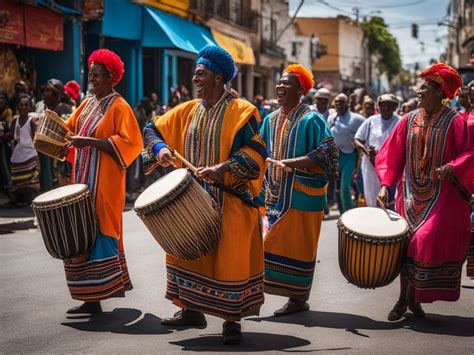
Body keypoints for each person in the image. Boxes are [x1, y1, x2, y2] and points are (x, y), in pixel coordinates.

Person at [142, 45, 266, 344]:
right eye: (196, 72)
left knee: (230, 259)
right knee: (187, 255)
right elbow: (151, 129)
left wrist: (222, 168)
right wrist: (159, 151)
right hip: (191, 202)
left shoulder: (243, 112)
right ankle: (190, 310)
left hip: (231, 200)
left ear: (219, 77)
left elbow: (257, 152)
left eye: (201, 73)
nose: (195, 78)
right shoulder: (187, 110)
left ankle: (231, 320)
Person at [376, 63, 473, 321]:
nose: (419, 92)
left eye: (426, 88)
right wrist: (386, 185)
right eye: (421, 87)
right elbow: (392, 156)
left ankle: (412, 299)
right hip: (407, 194)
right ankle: (404, 301)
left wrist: (453, 166)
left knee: (423, 240)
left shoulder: (455, 122)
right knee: (404, 245)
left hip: (442, 196)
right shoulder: (408, 120)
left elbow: (470, 152)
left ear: (440, 93)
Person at [60, 49, 143, 315]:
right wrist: (59, 141)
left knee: (99, 231)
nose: (92, 79)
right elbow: (69, 131)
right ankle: (89, 298)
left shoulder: (120, 107)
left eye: (97, 75)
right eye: (91, 74)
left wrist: (90, 143)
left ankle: (100, 293)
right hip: (81, 182)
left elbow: (131, 144)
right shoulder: (86, 104)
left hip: (104, 186)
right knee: (80, 234)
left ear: (110, 77)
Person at [259, 64, 338, 316]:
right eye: (279, 82)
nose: (280, 86)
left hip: (304, 196)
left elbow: (328, 153)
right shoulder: (270, 120)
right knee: (266, 243)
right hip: (274, 194)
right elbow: (258, 149)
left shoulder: (311, 119)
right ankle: (259, 291)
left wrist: (291, 163)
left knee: (299, 248)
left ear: (301, 90)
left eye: (287, 83)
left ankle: (297, 299)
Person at [354, 94, 400, 207]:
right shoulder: (371, 121)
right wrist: (364, 149)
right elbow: (357, 139)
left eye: (389, 105)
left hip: (391, 166)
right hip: (370, 166)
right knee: (371, 198)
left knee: (392, 199)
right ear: (378, 107)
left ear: (395, 107)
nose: (386, 108)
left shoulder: (400, 121)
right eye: (383, 105)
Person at [328, 94, 365, 212]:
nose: (338, 105)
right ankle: (342, 211)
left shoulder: (356, 119)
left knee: (345, 187)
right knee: (336, 187)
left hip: (350, 155)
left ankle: (348, 213)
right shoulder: (331, 117)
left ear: (347, 104)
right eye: (336, 102)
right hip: (335, 156)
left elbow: (365, 132)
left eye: (341, 102)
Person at [9, 94, 39, 205]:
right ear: (17, 107)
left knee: (30, 182)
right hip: (18, 155)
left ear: (30, 107)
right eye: (21, 105)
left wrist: (37, 157)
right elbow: (11, 136)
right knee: (18, 181)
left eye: (26, 105)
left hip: (30, 155)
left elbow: (35, 139)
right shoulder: (14, 121)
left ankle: (29, 200)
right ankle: (19, 200)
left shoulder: (31, 121)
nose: (23, 107)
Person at [0, 91, 13, 195]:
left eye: (2, 100)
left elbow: (10, 131)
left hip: (4, 145)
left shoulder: (8, 112)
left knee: (5, 166)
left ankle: (7, 187)